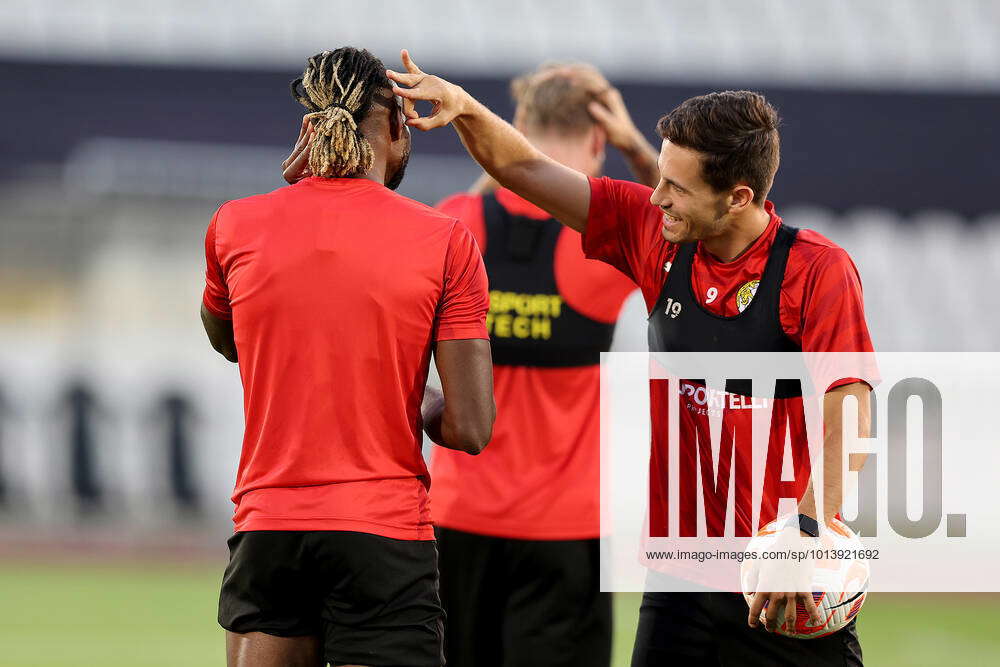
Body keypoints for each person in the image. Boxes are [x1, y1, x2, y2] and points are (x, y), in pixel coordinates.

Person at [385, 50, 873, 666]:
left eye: (675, 187)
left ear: (738, 197)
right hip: (679, 582)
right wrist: (465, 108)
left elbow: (851, 413)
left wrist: (804, 532)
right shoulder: (652, 235)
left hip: (780, 576)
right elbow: (523, 167)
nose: (656, 196)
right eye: (659, 177)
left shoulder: (816, 270)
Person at [200, 47, 495, 667]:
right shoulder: (446, 240)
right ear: (397, 130)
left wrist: (291, 198)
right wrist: (417, 398)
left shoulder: (234, 225)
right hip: (383, 538)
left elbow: (230, 341)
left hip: (269, 529)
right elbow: (470, 429)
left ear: (307, 129)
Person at [430, 64, 651, 667]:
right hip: (566, 530)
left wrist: (501, 155)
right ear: (600, 137)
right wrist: (635, 146)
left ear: (518, 125)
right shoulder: (611, 241)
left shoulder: (455, 221)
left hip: (458, 520)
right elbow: (709, 229)